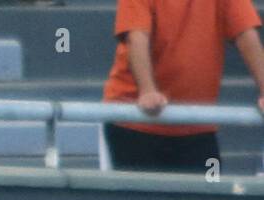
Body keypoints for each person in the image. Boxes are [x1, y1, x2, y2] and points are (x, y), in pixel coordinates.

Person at [101, 0, 264, 173]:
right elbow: (136, 36)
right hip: (134, 124)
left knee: (210, 191)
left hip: (197, 124)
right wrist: (148, 91)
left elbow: (245, 33)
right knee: (140, 199)